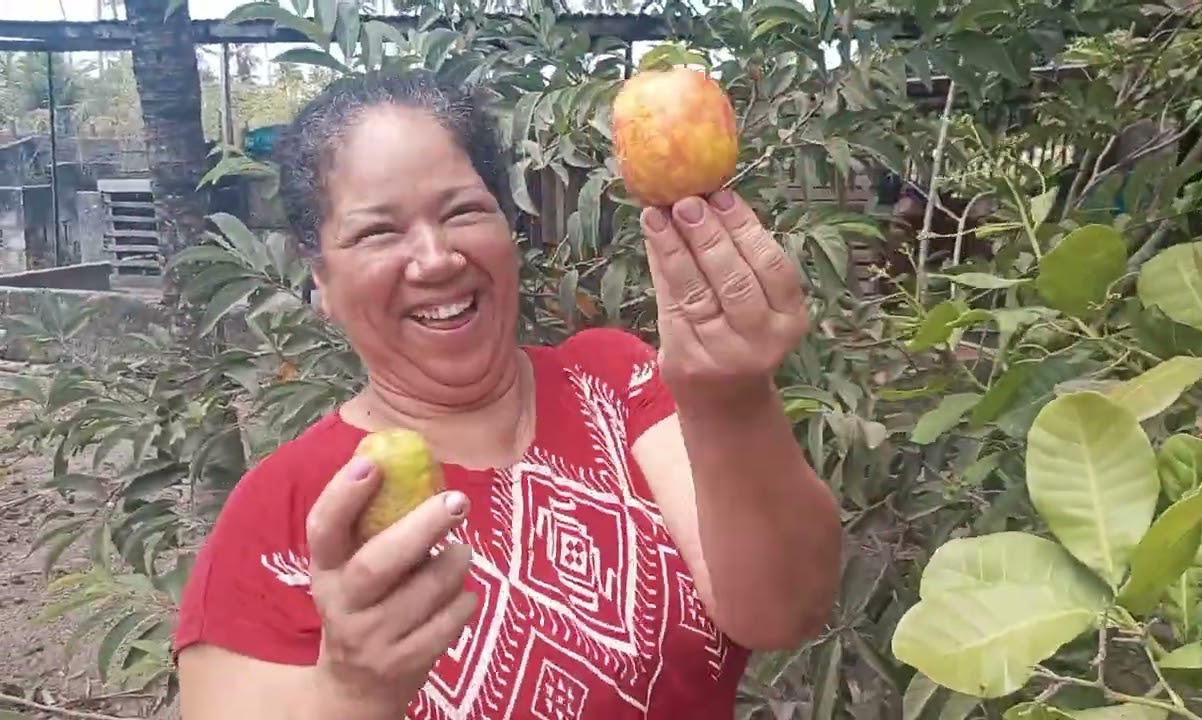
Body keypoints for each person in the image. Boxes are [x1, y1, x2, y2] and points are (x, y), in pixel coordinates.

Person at [173, 68, 842, 720]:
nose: (436, 259)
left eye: (463, 211)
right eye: (379, 231)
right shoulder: (282, 512)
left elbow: (782, 610)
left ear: (507, 229)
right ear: (320, 278)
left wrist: (731, 393)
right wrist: (350, 693)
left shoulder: (614, 384)